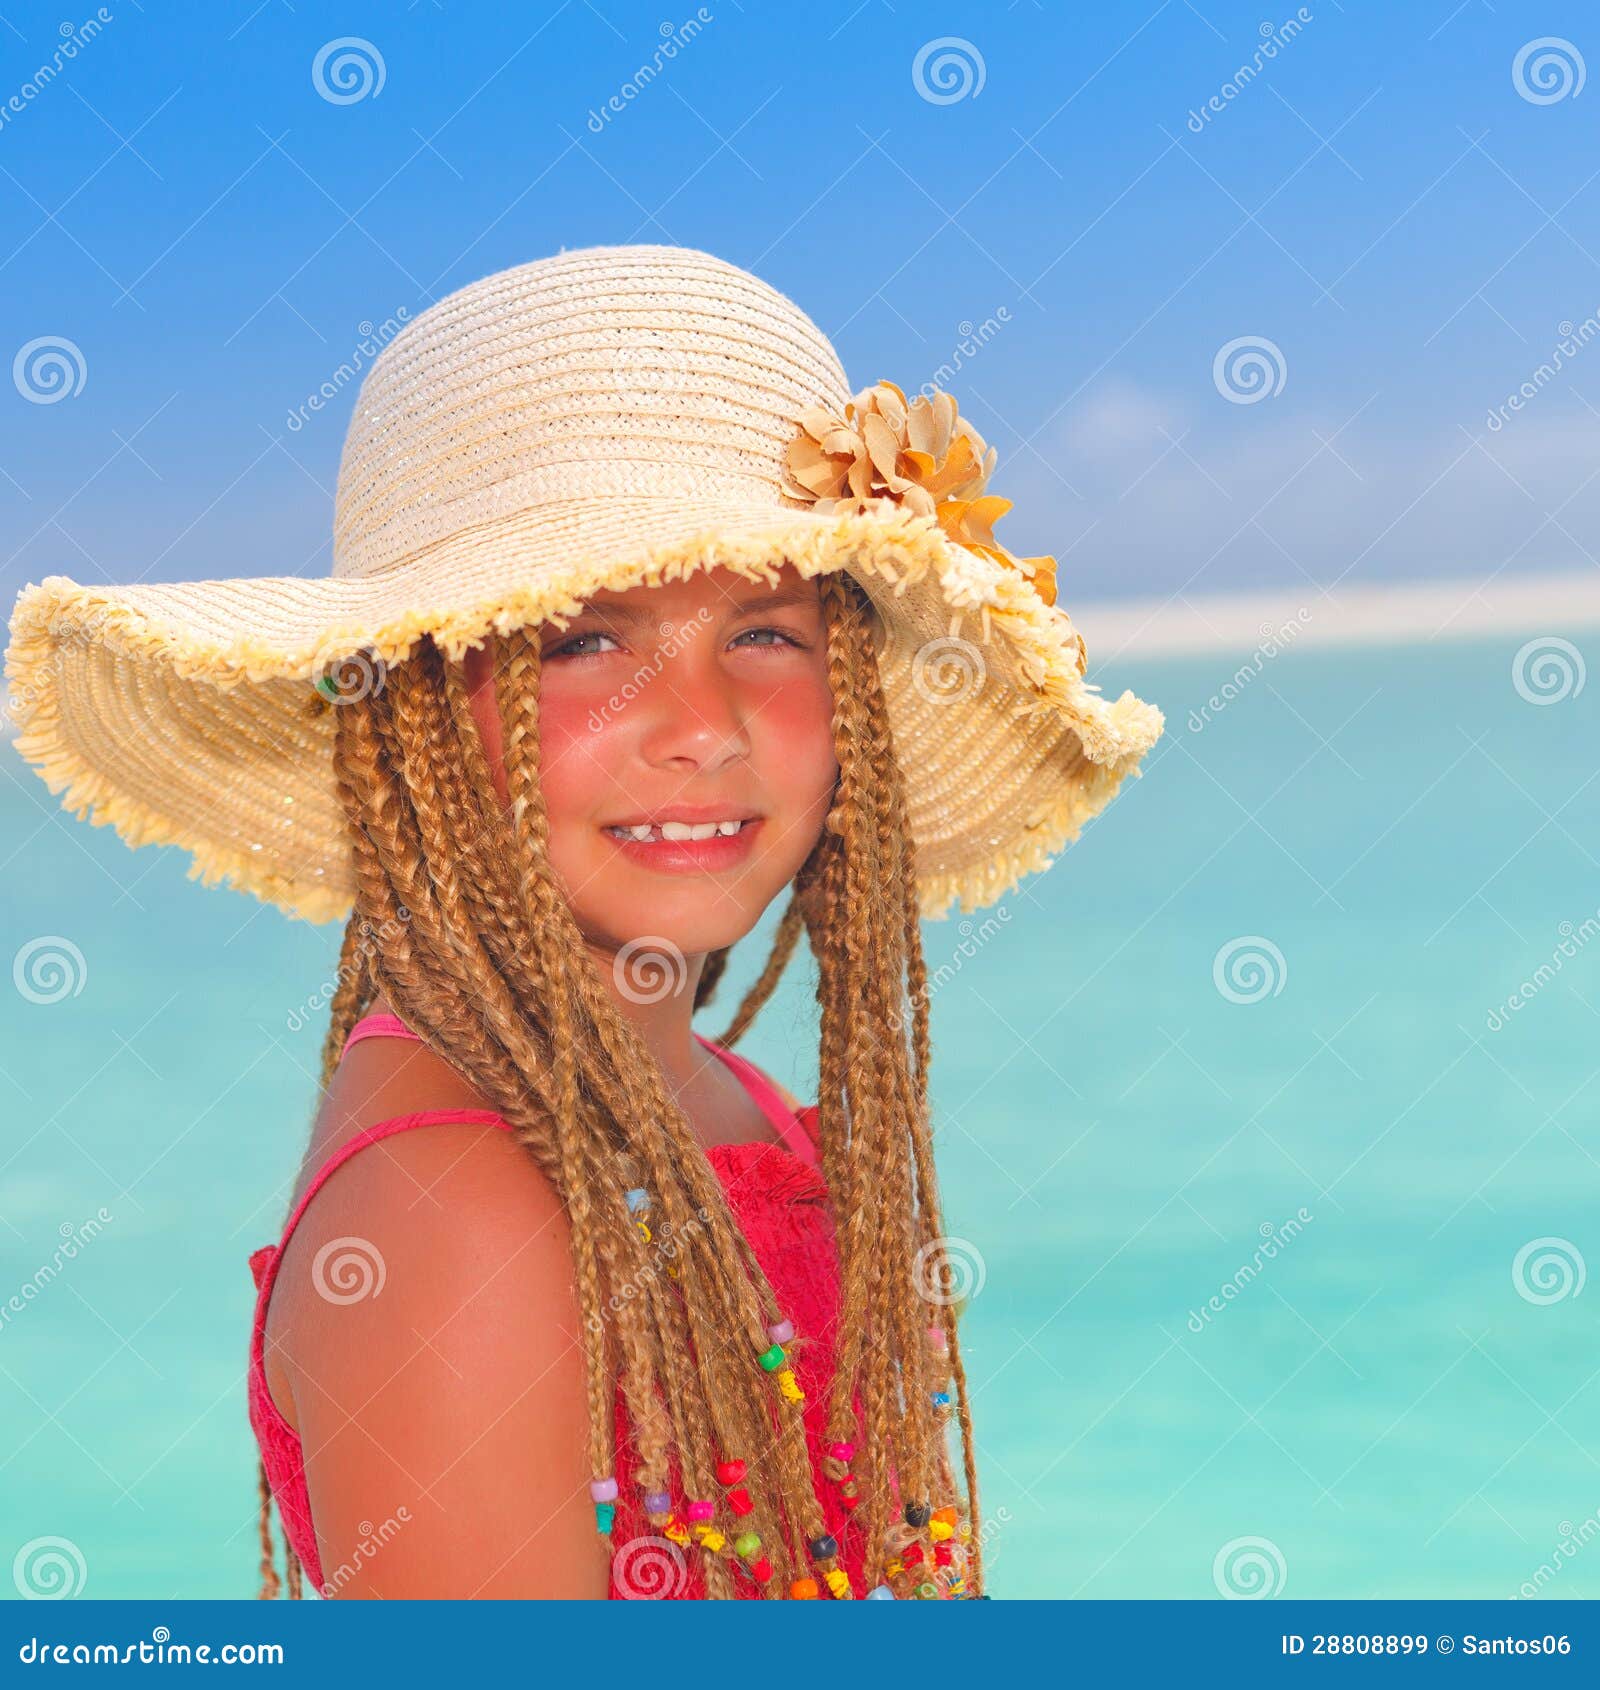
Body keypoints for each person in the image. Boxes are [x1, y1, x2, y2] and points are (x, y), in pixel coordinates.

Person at [3, 244, 1164, 1600]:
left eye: (769, 632)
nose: (701, 728)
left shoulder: (720, 1095)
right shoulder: (458, 1217)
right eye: (582, 641)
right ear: (412, 706)